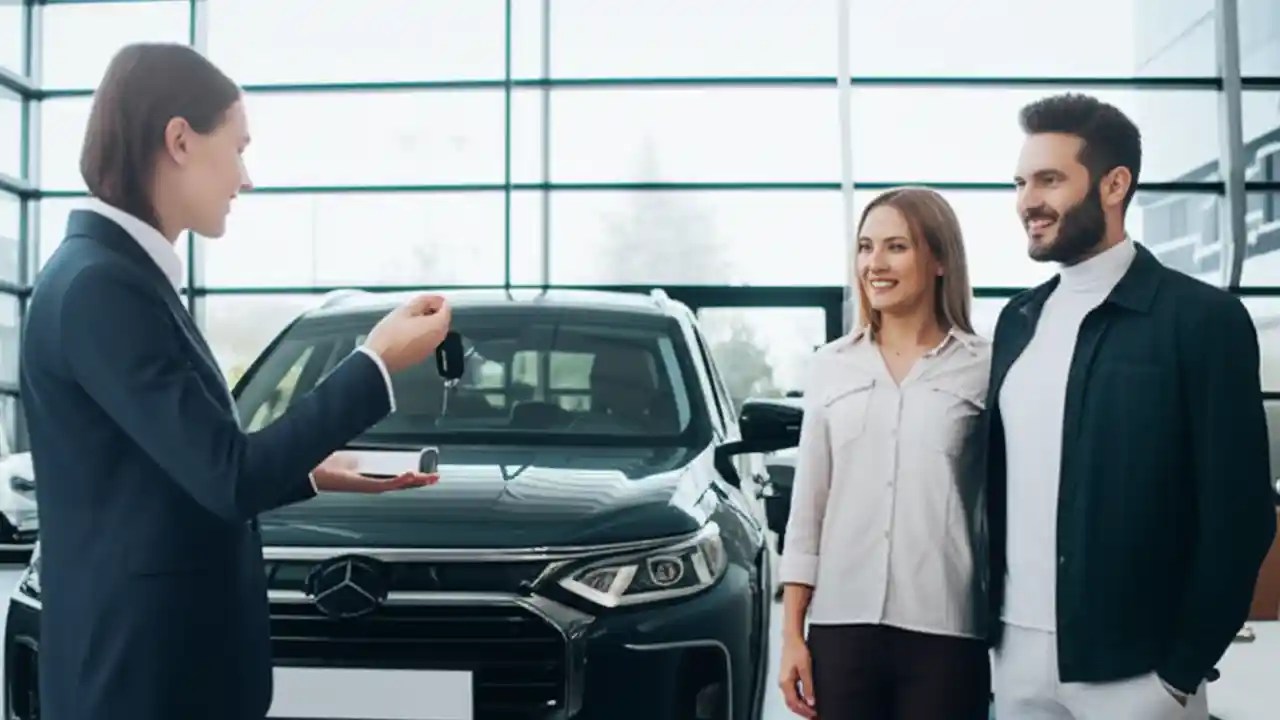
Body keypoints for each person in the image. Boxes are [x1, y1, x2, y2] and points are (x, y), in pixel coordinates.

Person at [19, 43, 453, 720]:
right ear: (180, 140)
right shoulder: (103, 287)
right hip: (141, 678)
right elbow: (228, 477)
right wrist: (375, 359)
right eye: (239, 147)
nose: (245, 177)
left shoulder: (110, 276)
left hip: (152, 670)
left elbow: (177, 471)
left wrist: (317, 469)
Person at [986, 92, 1277, 720]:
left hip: (1139, 672)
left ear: (1114, 185)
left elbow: (1242, 513)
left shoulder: (1203, 321)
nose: (1026, 201)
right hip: (1014, 657)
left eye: (1049, 179)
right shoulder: (1018, 319)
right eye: (1020, 182)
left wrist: (1181, 671)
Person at [777, 187, 992, 719]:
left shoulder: (985, 366)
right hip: (841, 628)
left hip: (948, 631)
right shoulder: (831, 365)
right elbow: (809, 508)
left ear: (940, 260)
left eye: (896, 246)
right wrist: (792, 637)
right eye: (866, 247)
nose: (876, 263)